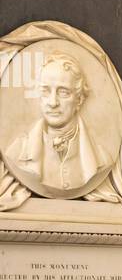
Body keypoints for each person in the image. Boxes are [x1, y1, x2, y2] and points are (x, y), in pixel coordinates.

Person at [5, 52, 111, 196]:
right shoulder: (16, 151)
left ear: (79, 100)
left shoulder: (102, 158)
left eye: (63, 92)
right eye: (45, 91)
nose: (53, 103)